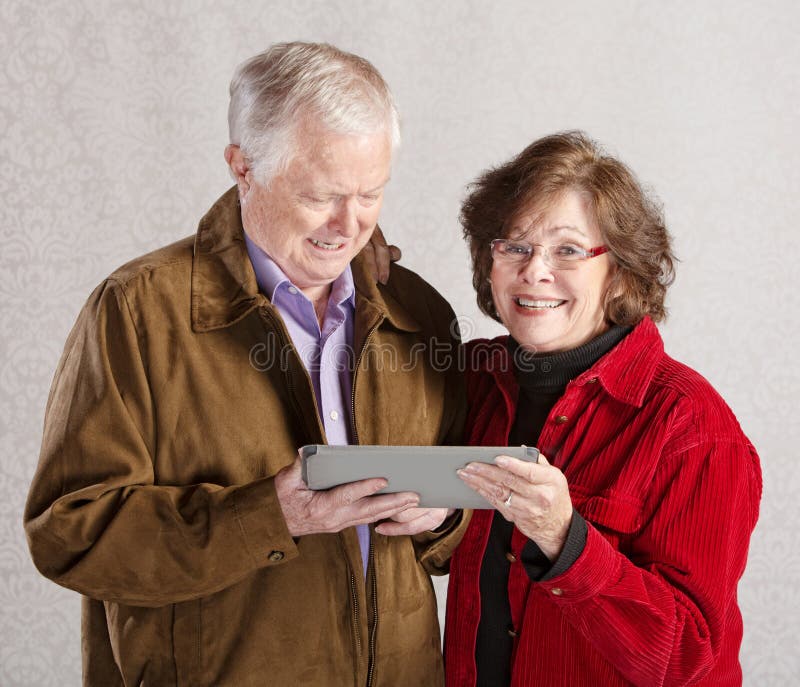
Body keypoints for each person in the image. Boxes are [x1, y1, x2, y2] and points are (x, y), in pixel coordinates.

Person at [23, 42, 468, 687]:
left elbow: (457, 528)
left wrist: (443, 516)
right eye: (321, 195)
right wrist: (272, 515)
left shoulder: (419, 312)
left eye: (370, 194)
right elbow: (71, 535)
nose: (351, 226)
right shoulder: (135, 311)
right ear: (243, 167)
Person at [443, 131, 761, 686]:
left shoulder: (692, 426)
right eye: (514, 246)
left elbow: (687, 658)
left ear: (618, 270)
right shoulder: (470, 379)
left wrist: (566, 538)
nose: (534, 270)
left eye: (567, 249)